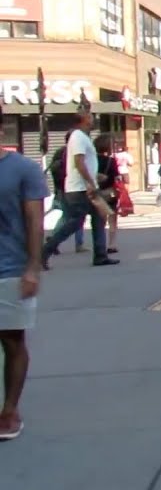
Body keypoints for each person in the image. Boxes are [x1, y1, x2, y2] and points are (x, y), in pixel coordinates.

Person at [0, 147, 48, 440]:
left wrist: (32, 267)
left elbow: (35, 222)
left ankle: (9, 410)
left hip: (10, 268)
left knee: (11, 339)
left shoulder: (24, 169)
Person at [41, 113, 117, 267]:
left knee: (98, 218)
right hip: (80, 188)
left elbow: (84, 164)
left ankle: (100, 255)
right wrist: (90, 181)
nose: (93, 118)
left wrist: (95, 177)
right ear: (82, 120)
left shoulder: (82, 137)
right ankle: (44, 251)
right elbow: (79, 162)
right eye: (90, 116)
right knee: (75, 222)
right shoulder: (77, 137)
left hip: (86, 186)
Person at [45, 131, 85, 256]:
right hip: (74, 188)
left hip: (62, 188)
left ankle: (54, 239)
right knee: (76, 216)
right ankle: (76, 243)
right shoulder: (73, 153)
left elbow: (53, 170)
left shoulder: (59, 152)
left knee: (68, 216)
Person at [95, 135, 122, 254]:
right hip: (109, 192)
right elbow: (117, 177)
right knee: (112, 218)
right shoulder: (111, 161)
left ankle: (100, 243)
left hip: (96, 192)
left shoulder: (92, 160)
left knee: (100, 219)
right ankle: (111, 244)